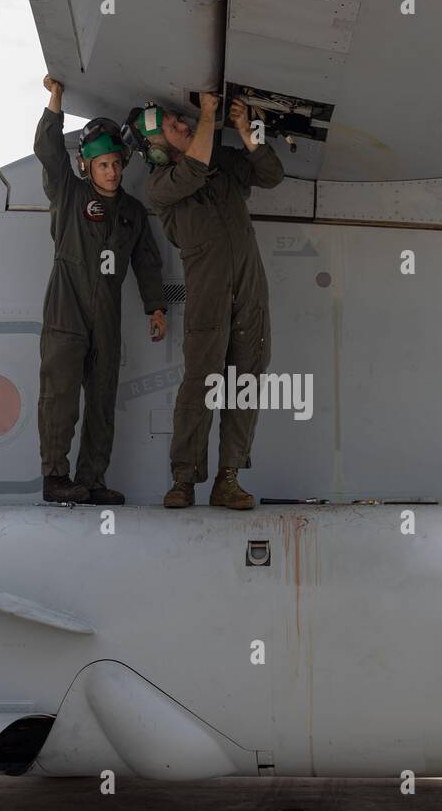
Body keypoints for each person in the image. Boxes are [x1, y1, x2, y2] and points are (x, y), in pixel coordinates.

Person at [128, 93, 284, 509]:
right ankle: (183, 479)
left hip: (250, 288)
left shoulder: (223, 164)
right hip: (208, 292)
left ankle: (228, 479)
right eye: (171, 124)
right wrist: (210, 115)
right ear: (155, 147)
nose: (182, 123)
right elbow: (193, 167)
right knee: (202, 382)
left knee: (245, 382)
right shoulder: (160, 186)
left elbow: (271, 175)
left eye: (182, 119)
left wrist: (250, 139)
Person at [35, 75, 168, 505]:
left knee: (102, 398)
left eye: (115, 163)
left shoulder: (131, 211)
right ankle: (56, 477)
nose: (111, 172)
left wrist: (156, 307)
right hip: (66, 308)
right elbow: (48, 152)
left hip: (107, 312)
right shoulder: (68, 194)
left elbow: (147, 260)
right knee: (60, 394)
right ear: (86, 167)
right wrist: (55, 102)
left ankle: (91, 479)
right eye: (102, 165)